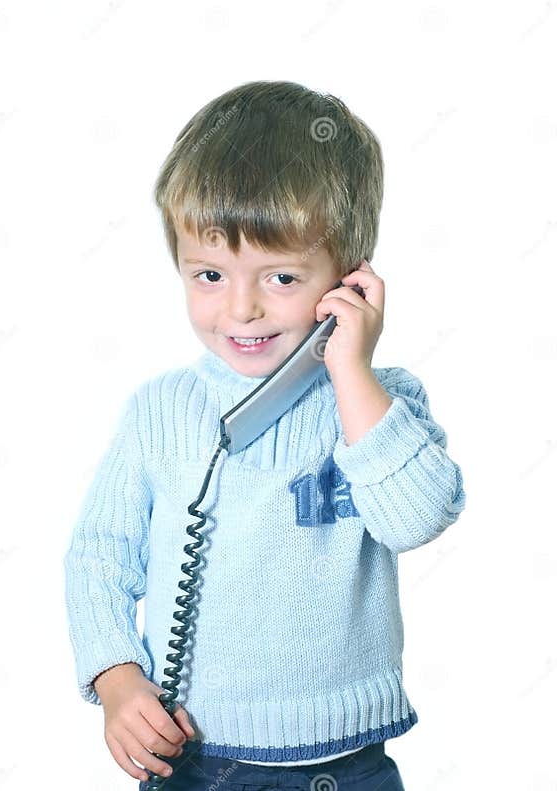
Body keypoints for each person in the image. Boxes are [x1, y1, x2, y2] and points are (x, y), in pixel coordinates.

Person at [63, 80, 466, 791]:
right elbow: (99, 554)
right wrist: (117, 677)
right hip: (194, 757)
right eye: (209, 274)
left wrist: (351, 371)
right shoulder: (162, 410)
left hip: (345, 761)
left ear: (350, 279)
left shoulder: (382, 402)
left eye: (281, 277)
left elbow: (417, 517)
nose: (241, 307)